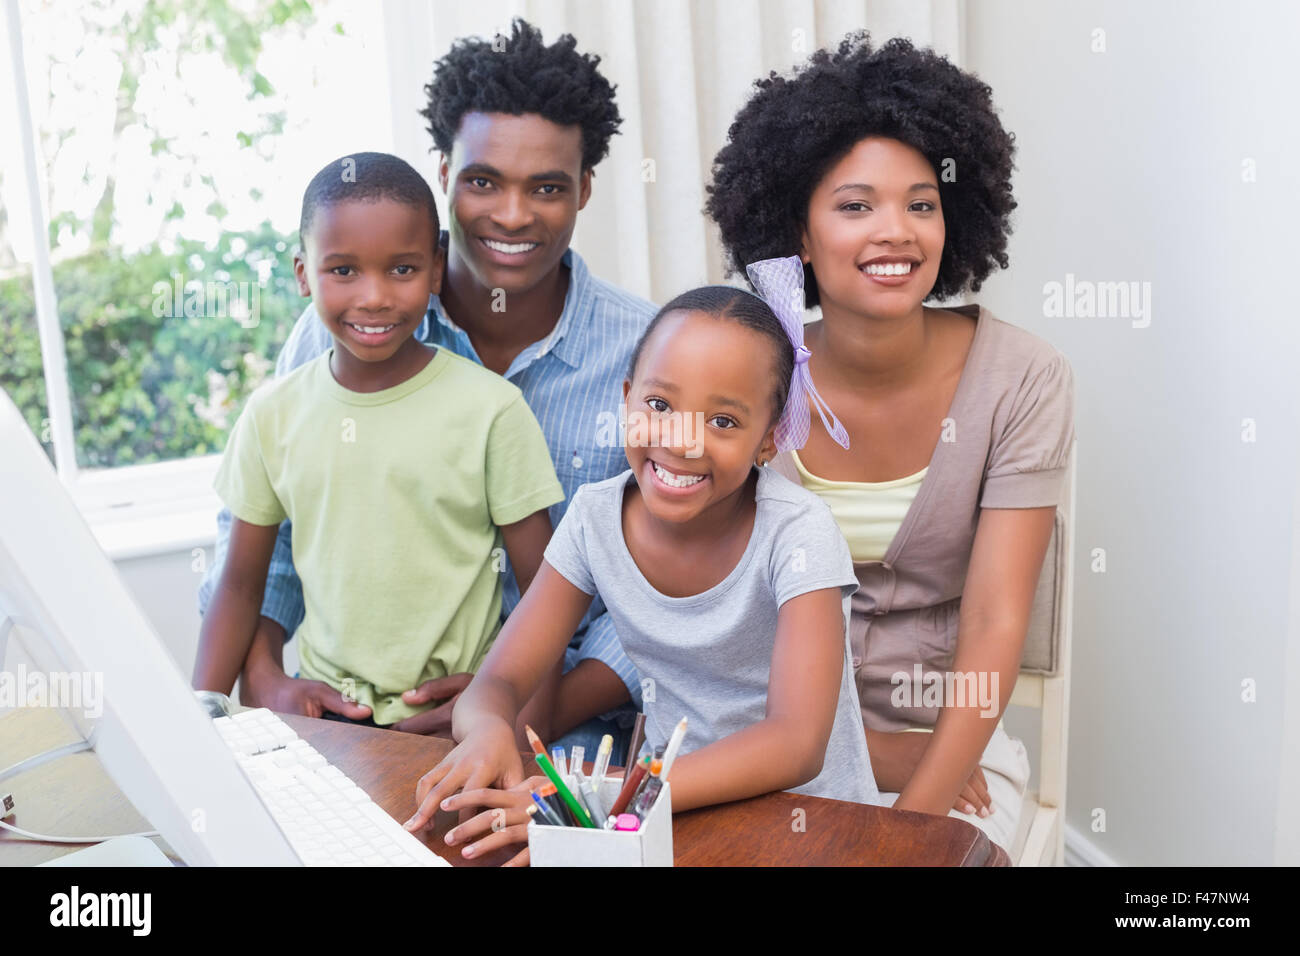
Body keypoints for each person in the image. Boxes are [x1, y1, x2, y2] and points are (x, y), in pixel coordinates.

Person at [197, 19, 655, 751]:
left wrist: (516, 708)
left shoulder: (649, 354)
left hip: (569, 722)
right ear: (444, 176)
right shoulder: (332, 338)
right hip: (354, 726)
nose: (511, 214)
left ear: (585, 190)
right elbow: (262, 552)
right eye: (482, 182)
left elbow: (683, 584)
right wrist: (267, 682)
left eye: (545, 187)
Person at [705, 33, 1075, 853]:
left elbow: (993, 621)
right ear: (797, 234)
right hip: (774, 739)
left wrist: (912, 827)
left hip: (952, 751)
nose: (896, 231)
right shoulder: (754, 372)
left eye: (921, 203)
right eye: (855, 205)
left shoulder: (1023, 379)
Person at [403, 274, 881, 863]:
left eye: (724, 421)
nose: (681, 441)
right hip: (660, 820)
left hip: (810, 824)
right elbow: (500, 682)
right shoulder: (595, 517)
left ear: (770, 438)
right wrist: (486, 730)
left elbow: (795, 743)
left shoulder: (798, 532)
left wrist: (625, 798)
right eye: (658, 405)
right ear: (627, 399)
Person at [193, 152, 564, 729]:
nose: (374, 297)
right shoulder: (272, 414)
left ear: (436, 270)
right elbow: (241, 584)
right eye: (343, 271)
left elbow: (546, 591)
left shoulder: (491, 409)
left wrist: (506, 718)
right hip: (330, 730)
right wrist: (205, 716)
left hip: (458, 727)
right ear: (302, 274)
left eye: (402, 269)